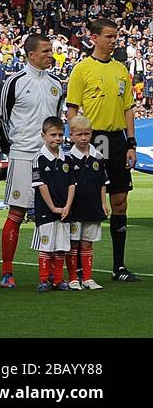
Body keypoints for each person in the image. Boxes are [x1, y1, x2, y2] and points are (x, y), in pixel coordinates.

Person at [65, 18, 139, 281]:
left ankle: (118, 267)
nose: (113, 40)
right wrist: (75, 138)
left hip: (117, 140)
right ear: (93, 38)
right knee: (86, 201)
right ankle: (77, 268)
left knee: (120, 202)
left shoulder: (121, 70)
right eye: (108, 36)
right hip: (92, 139)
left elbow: (129, 108)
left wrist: (131, 143)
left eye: (115, 36)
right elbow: (72, 107)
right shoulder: (82, 69)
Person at [0, 33, 66, 289]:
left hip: (50, 158)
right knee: (16, 212)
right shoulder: (14, 82)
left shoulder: (57, 84)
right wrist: (10, 149)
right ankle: (6, 271)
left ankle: (51, 274)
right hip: (23, 155)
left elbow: (56, 121)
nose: (51, 55)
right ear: (31, 54)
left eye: (51, 51)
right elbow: (1, 119)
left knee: (53, 213)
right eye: (46, 51)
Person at [32, 116, 76, 292]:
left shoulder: (67, 158)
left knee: (61, 246)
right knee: (46, 245)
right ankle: (44, 279)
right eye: (53, 134)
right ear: (43, 135)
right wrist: (52, 207)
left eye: (60, 134)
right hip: (46, 211)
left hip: (65, 210)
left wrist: (67, 206)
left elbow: (72, 184)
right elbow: (41, 185)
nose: (57, 138)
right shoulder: (39, 158)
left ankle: (58, 279)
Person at [65, 115, 109, 291]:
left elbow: (103, 183)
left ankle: (88, 278)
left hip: (93, 207)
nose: (83, 138)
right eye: (79, 134)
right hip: (75, 208)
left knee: (88, 243)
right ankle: (74, 278)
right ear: (72, 135)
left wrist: (103, 203)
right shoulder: (68, 158)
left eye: (87, 134)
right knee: (73, 243)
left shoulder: (98, 156)